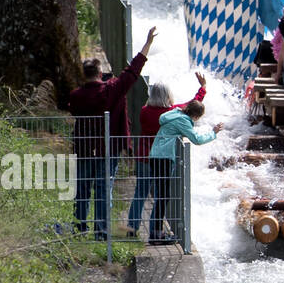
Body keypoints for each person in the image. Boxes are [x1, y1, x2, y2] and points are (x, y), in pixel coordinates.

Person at [67, 27, 155, 239]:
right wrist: (147, 44)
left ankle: (80, 228)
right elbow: (132, 71)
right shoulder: (111, 89)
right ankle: (101, 231)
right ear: (99, 74)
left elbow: (71, 107)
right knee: (104, 189)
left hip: (85, 147)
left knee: (82, 188)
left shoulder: (76, 95)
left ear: (83, 74)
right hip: (109, 146)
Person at [130, 72, 206, 238]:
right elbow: (191, 105)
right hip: (162, 159)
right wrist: (202, 89)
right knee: (160, 196)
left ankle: (131, 228)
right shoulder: (172, 112)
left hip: (143, 157)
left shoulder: (144, 111)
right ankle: (156, 231)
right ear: (168, 96)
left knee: (140, 194)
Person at [149, 99, 222, 242]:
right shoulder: (183, 121)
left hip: (155, 155)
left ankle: (156, 232)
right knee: (163, 197)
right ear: (196, 116)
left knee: (162, 196)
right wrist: (213, 133)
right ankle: (156, 234)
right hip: (164, 158)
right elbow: (197, 139)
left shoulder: (174, 113)